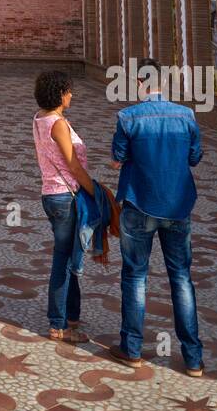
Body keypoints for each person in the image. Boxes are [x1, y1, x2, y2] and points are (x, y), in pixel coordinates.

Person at [109, 57, 204, 376]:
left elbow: (119, 155)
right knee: (181, 277)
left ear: (139, 83)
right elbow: (195, 157)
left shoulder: (128, 117)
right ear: (164, 81)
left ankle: (132, 348)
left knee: (136, 276)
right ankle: (193, 357)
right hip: (178, 206)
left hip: (139, 202)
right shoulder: (186, 115)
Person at [33, 69, 95, 343]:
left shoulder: (39, 118)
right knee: (64, 261)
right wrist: (96, 191)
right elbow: (72, 164)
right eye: (68, 90)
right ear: (59, 93)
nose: (72, 94)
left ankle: (71, 316)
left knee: (68, 257)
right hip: (65, 197)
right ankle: (58, 324)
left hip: (51, 194)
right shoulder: (57, 124)